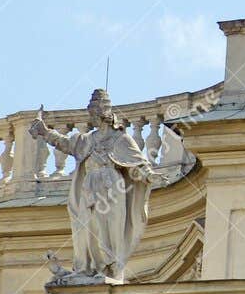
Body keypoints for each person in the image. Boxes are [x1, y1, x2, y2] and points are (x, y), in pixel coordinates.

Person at [30, 89, 155, 281]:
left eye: (94, 114)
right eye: (91, 113)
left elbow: (138, 164)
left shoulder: (121, 139)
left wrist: (149, 175)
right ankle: (87, 269)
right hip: (90, 186)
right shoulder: (86, 139)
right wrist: (44, 131)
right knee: (88, 227)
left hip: (111, 185)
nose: (92, 118)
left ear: (103, 114)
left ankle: (109, 269)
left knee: (110, 227)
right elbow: (63, 143)